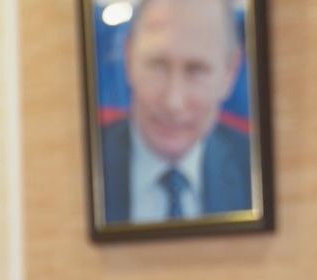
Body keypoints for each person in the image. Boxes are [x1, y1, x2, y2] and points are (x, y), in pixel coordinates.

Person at [99, 0, 254, 225]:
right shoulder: (81, 164)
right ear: (129, 57)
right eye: (158, 65)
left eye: (196, 70)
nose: (174, 102)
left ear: (230, 73)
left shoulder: (255, 169)